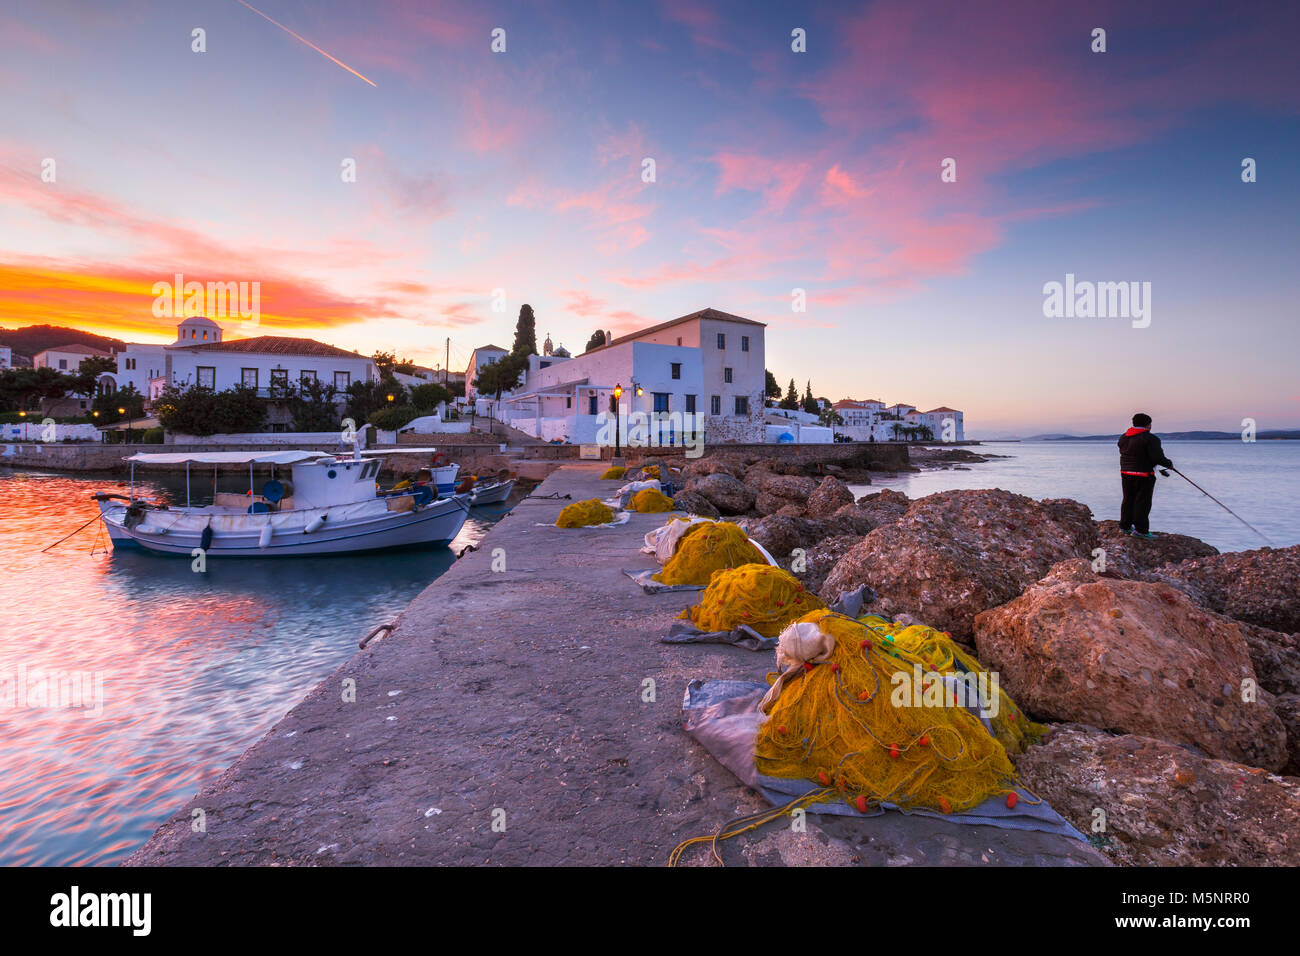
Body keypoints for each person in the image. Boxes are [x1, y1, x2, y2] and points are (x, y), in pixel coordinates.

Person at [1117, 412, 1173, 538]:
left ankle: (1125, 527)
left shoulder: (1123, 437)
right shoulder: (1151, 439)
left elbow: (1123, 450)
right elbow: (1157, 457)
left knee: (1128, 499)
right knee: (1142, 502)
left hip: (1126, 472)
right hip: (1143, 474)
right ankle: (1141, 531)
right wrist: (1169, 464)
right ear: (1148, 424)